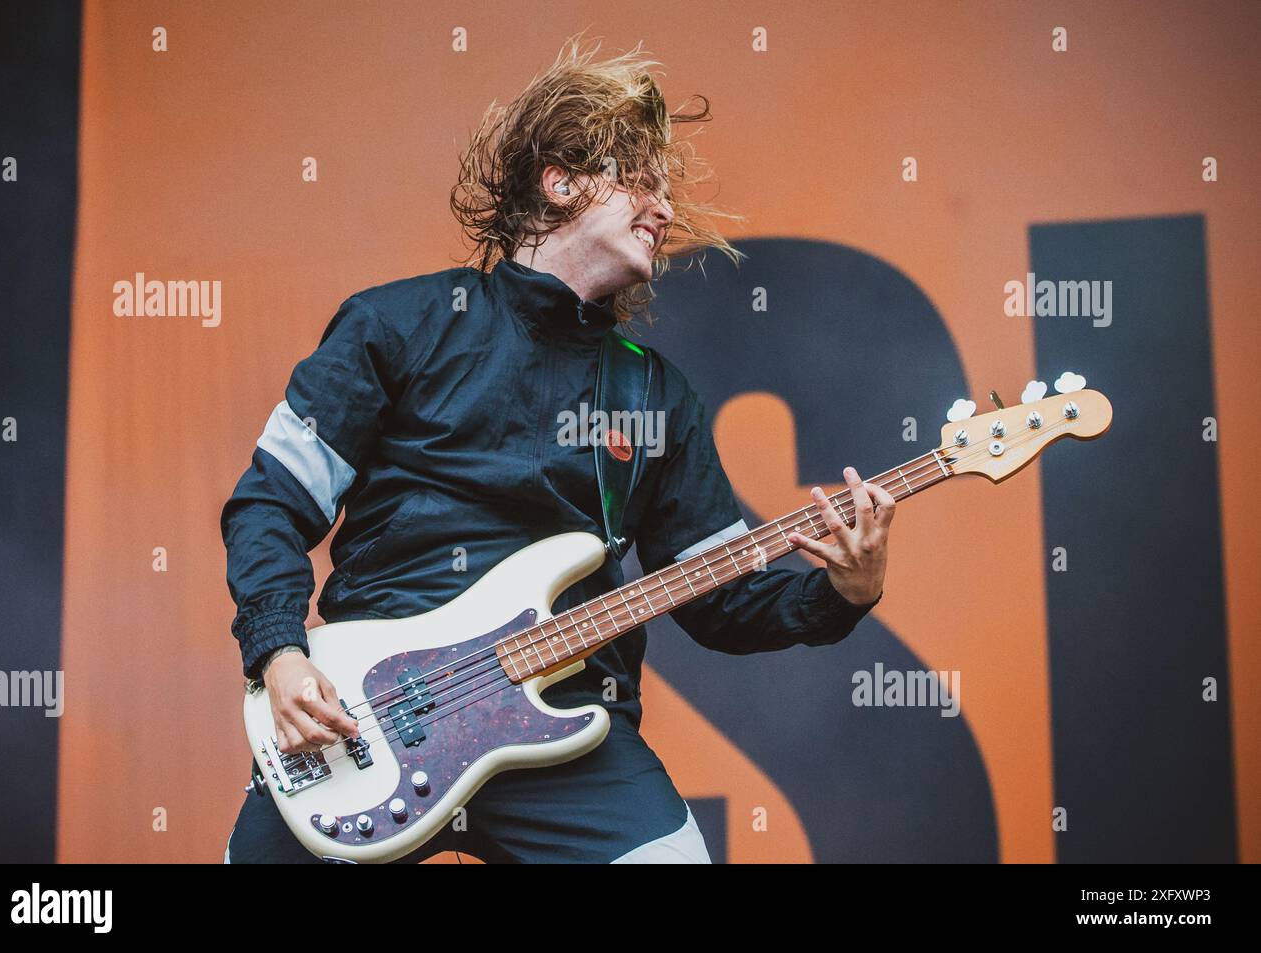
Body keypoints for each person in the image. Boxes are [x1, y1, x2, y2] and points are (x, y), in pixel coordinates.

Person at [222, 38, 894, 864]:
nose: (663, 209)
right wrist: (279, 653)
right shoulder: (396, 324)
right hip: (367, 718)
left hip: (569, 718)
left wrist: (842, 593)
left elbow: (717, 601)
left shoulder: (657, 397)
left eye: (666, 193)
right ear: (561, 179)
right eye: (639, 179)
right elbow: (269, 502)